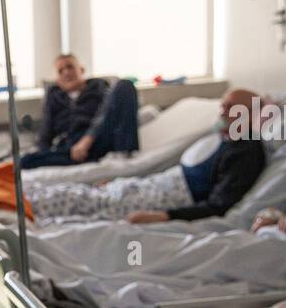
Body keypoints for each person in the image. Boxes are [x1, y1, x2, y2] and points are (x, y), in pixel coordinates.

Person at [23, 88, 267, 224]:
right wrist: (122, 180)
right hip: (147, 186)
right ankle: (20, 195)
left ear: (247, 115)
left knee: (86, 203)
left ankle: (21, 203)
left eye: (230, 108)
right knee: (85, 193)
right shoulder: (219, 139)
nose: (221, 112)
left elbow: (218, 205)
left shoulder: (245, 151)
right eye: (222, 105)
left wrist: (164, 216)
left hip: (163, 200)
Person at [19, 54, 140, 169]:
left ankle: (124, 154)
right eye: (60, 71)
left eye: (70, 67)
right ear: (57, 79)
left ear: (81, 70)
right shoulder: (53, 96)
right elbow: (45, 133)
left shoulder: (99, 87)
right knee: (24, 161)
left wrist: (87, 140)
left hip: (99, 140)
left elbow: (107, 114)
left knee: (125, 85)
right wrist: (42, 153)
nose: (66, 72)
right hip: (71, 149)